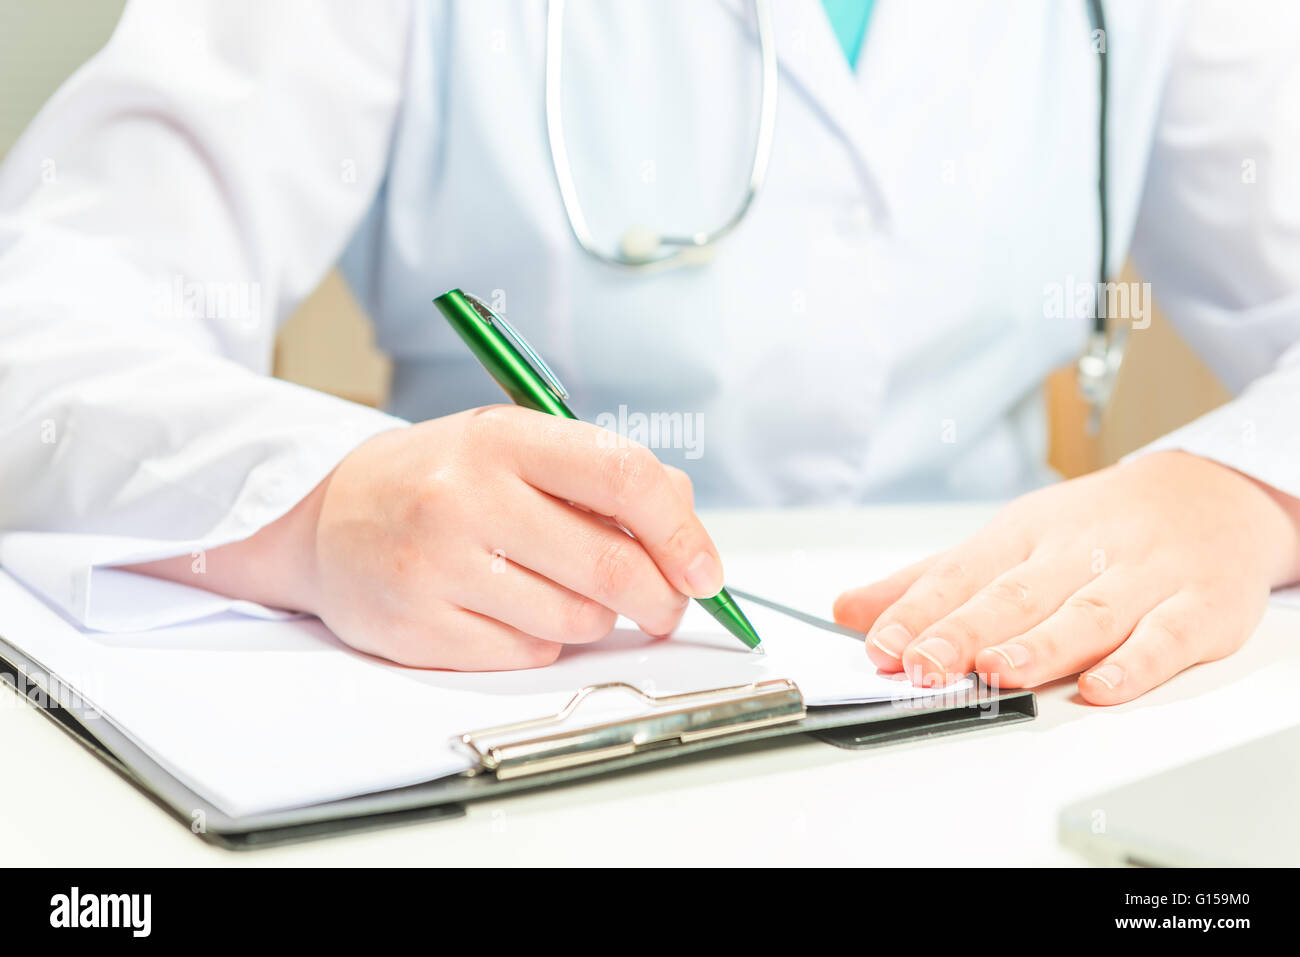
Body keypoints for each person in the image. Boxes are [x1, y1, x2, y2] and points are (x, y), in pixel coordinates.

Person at [0, 0, 1297, 706]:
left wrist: (1244, 493)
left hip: (994, 703)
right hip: (517, 706)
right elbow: (41, 329)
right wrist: (322, 501)